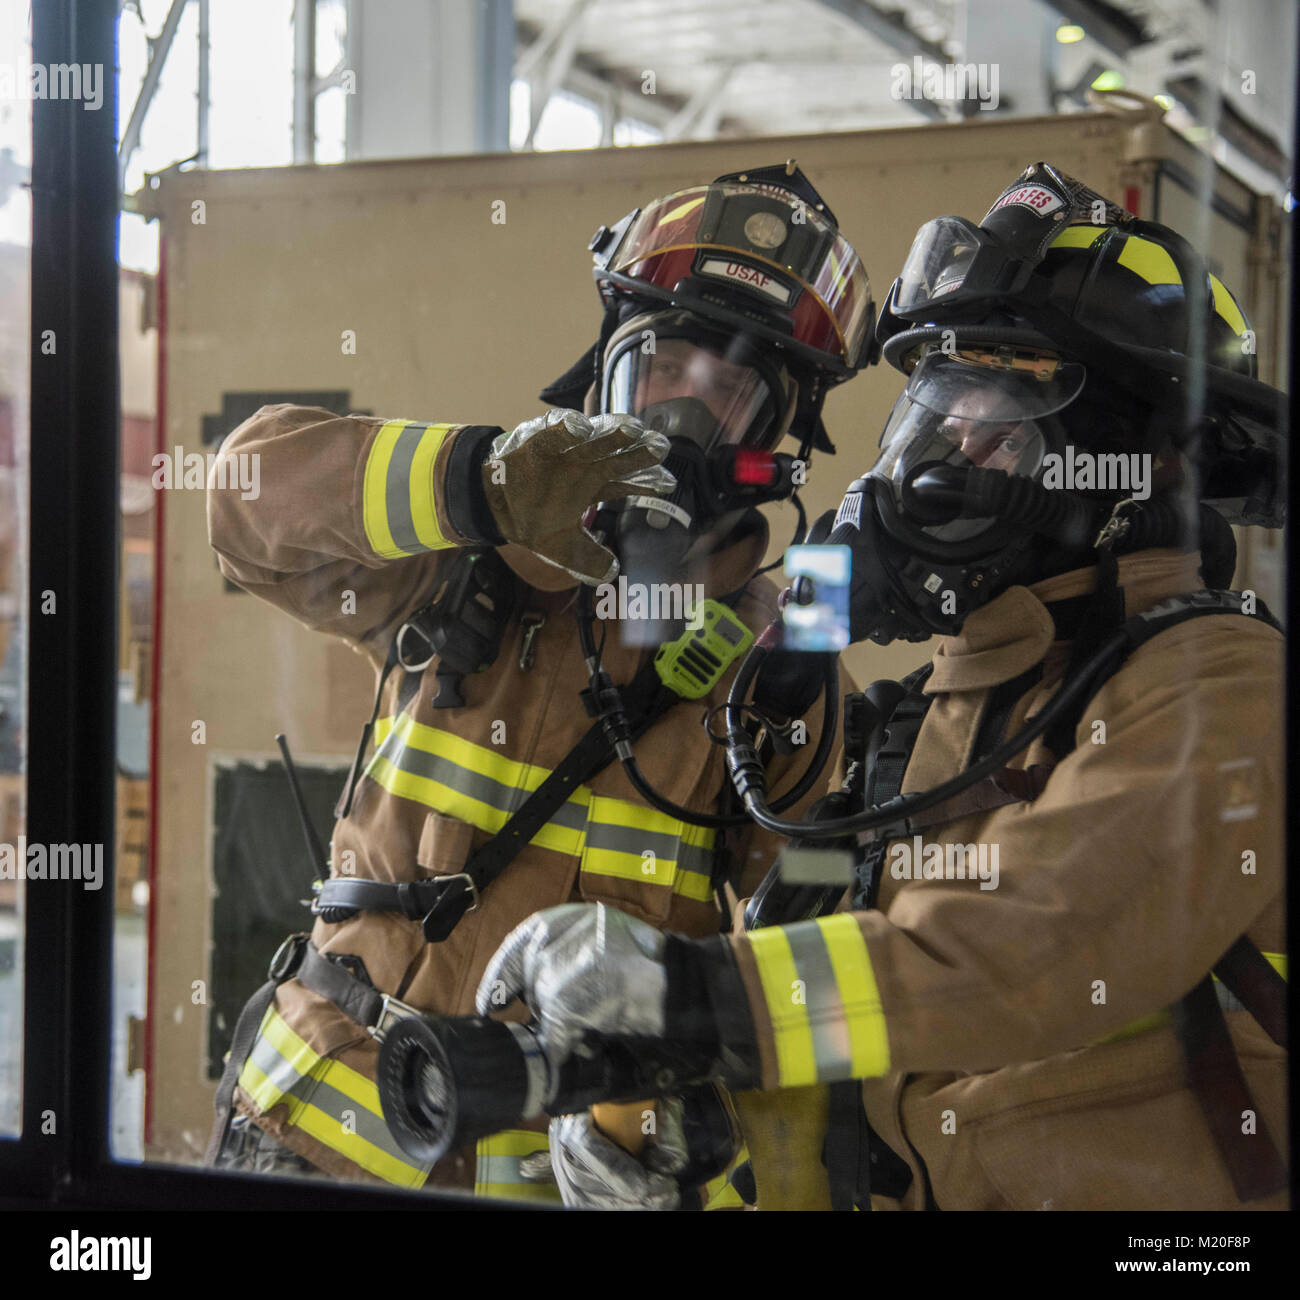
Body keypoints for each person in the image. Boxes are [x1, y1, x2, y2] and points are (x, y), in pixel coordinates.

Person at [468, 163, 1288, 1211]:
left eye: (999, 399)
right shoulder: (952, 702)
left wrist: (695, 999)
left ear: (1132, 462)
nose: (945, 444)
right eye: (935, 395)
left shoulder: (1217, 680)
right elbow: (865, 1006)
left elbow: (1025, 944)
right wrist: (685, 1124)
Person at [204, 163, 877, 1206]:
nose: (685, 411)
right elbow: (243, 504)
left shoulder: (781, 655)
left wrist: (807, 647)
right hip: (311, 1148)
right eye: (663, 365)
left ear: (773, 439)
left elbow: (800, 940)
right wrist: (482, 485)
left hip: (560, 1181)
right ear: (603, 371)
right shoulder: (460, 559)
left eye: (730, 389)